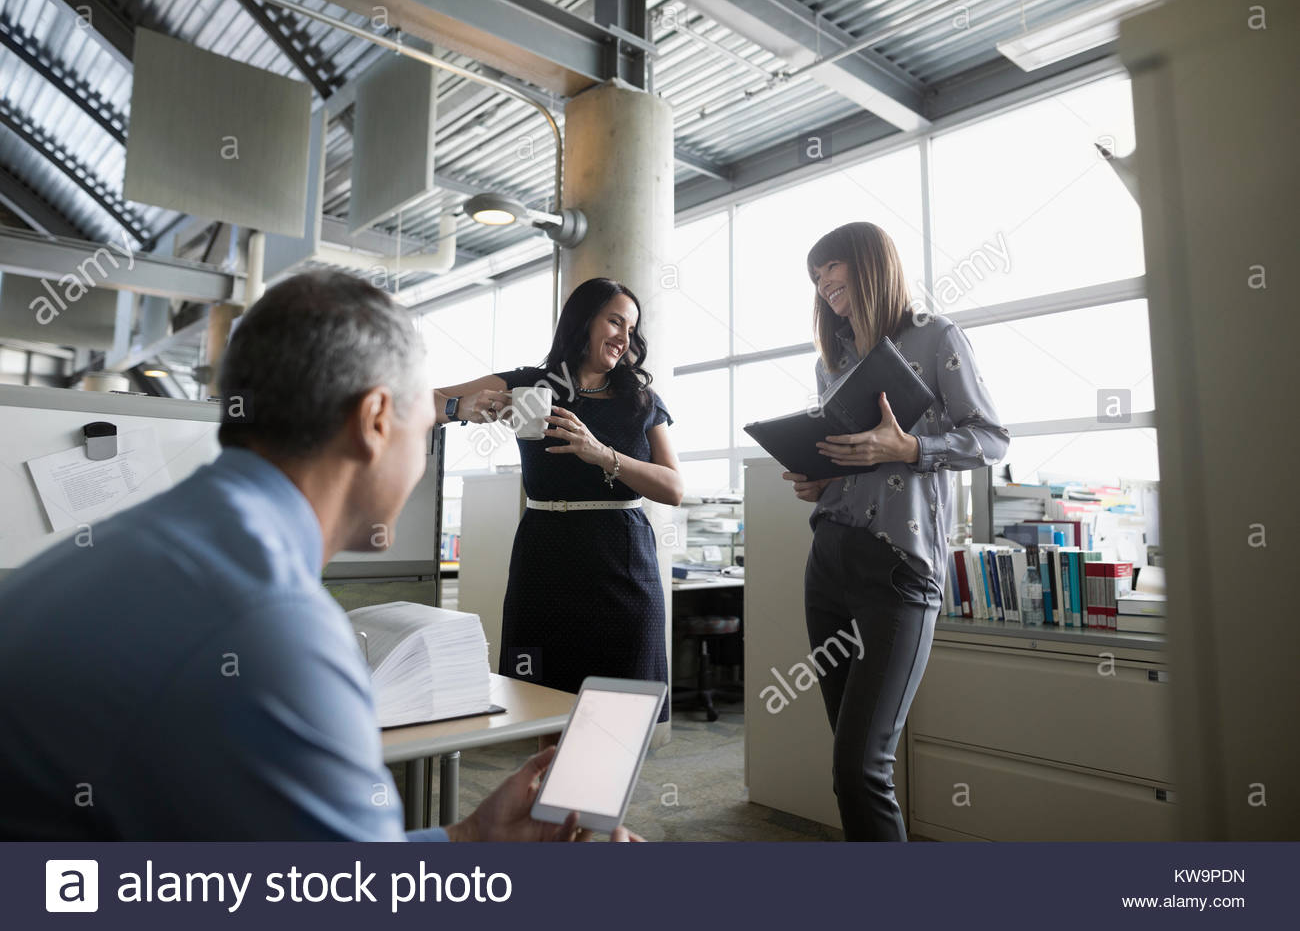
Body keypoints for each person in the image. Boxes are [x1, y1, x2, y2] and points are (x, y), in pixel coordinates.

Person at [0, 270, 636, 841]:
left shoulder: (133, 545)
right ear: (374, 420)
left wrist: (469, 838)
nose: (424, 448)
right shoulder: (275, 625)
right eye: (427, 422)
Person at [784, 222, 1010, 841]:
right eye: (816, 275)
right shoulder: (831, 363)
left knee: (862, 769)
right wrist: (819, 480)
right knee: (846, 765)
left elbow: (991, 440)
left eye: (833, 266)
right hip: (828, 562)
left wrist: (911, 447)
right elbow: (851, 463)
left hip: (898, 570)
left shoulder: (937, 337)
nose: (824, 282)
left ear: (871, 263)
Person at [434, 278, 683, 727]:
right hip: (545, 561)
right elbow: (422, 401)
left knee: (621, 711)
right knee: (544, 705)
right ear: (583, 320)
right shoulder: (531, 385)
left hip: (623, 567)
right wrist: (460, 408)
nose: (625, 337)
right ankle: (551, 798)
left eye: (632, 328)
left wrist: (602, 454)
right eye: (615, 320)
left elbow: (673, 488)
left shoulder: (641, 401)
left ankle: (599, 798)